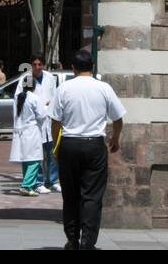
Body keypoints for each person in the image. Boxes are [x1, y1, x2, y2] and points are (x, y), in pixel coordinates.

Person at [50, 49, 126, 250]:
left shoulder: (64, 88)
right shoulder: (104, 88)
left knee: (71, 194)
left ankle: (72, 239)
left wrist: (56, 146)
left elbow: (55, 122)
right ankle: (88, 242)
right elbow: (118, 118)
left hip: (69, 143)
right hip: (94, 145)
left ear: (73, 68)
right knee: (92, 196)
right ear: (92, 67)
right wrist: (115, 138)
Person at [16, 54, 62, 191]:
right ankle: (38, 182)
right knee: (37, 154)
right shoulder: (26, 79)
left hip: (48, 120)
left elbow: (54, 96)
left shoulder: (49, 78)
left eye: (39, 64)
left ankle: (53, 180)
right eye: (34, 64)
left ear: (43, 65)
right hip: (34, 122)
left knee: (52, 152)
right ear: (31, 65)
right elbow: (20, 98)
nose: (37, 67)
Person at [10, 74, 51, 195]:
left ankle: (29, 185)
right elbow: (42, 115)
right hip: (32, 131)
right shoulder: (34, 98)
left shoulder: (18, 97)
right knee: (34, 160)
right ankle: (27, 186)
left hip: (20, 131)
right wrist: (46, 106)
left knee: (26, 159)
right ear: (34, 86)